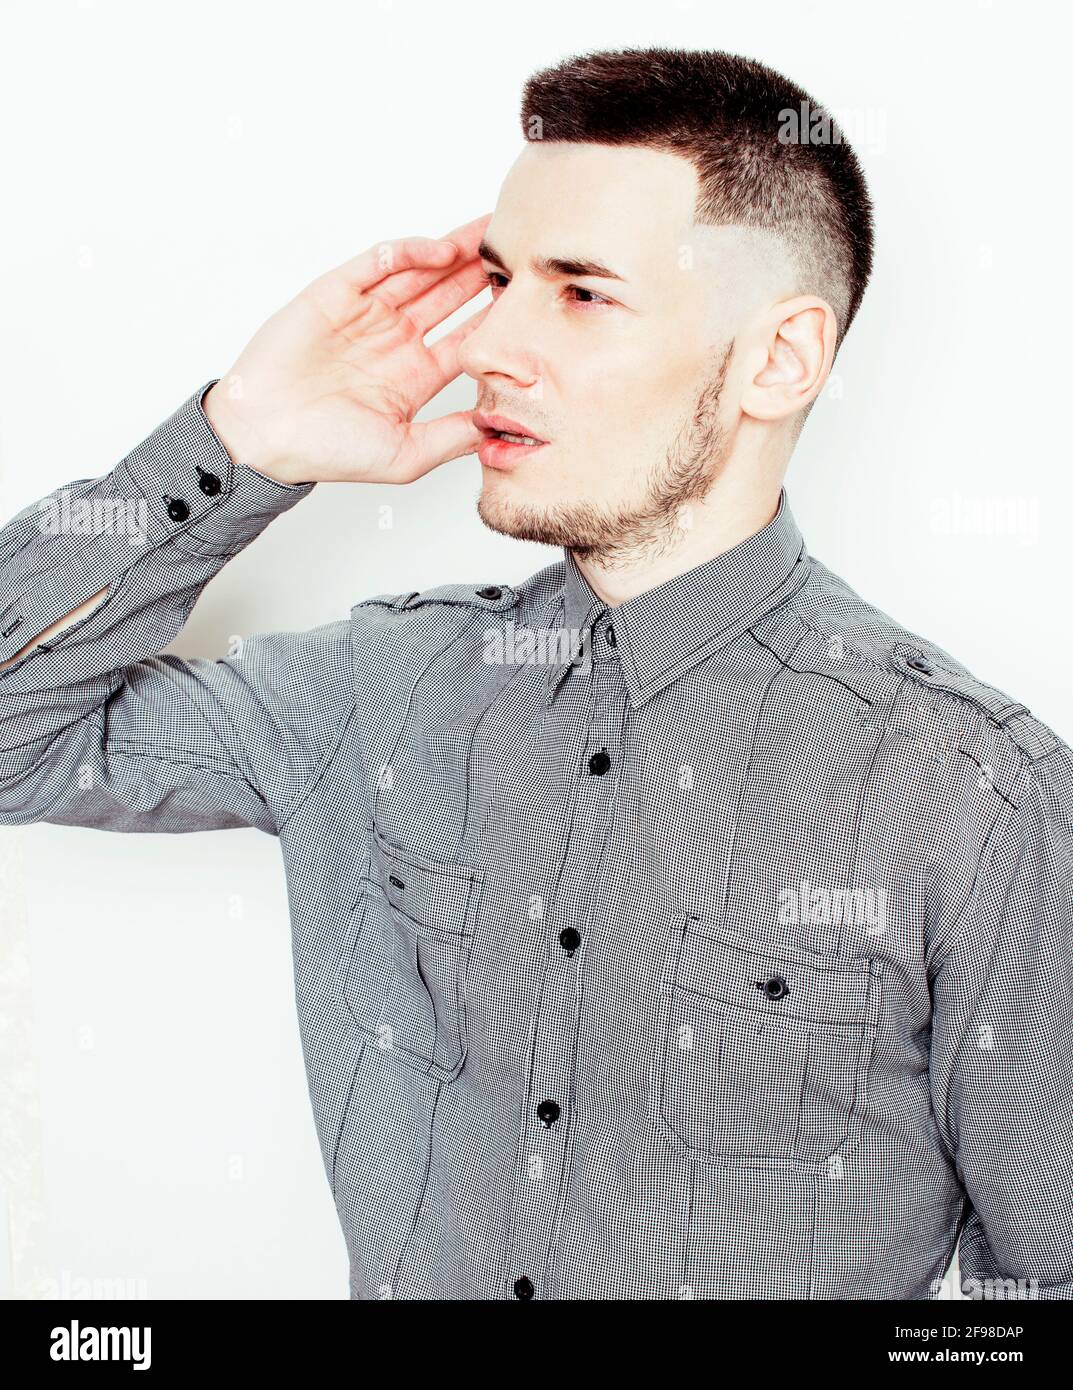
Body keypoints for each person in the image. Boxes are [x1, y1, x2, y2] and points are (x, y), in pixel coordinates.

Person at [2, 47, 1070, 1301]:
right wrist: (237, 443)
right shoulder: (375, 690)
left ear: (778, 360)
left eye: (579, 293)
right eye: (499, 281)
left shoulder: (973, 796)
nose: (486, 346)